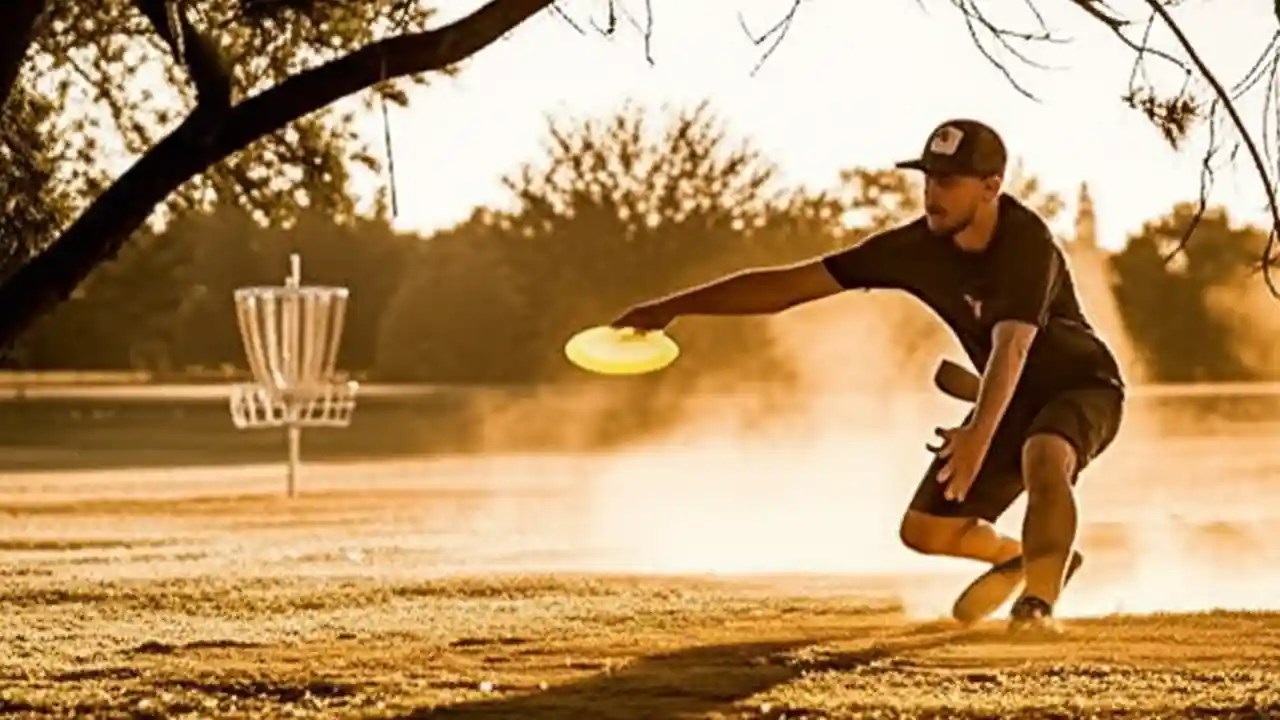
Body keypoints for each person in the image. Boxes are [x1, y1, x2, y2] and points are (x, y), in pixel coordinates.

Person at [610, 119, 1126, 633]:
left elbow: (1012, 346)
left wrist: (977, 434)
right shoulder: (914, 248)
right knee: (925, 532)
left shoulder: (1027, 243)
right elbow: (787, 287)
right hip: (1008, 396)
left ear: (991, 187)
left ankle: (1036, 605)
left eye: (948, 181)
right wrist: (670, 308)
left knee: (1044, 454)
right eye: (928, 178)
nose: (932, 193)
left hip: (1083, 387)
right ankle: (1024, 556)